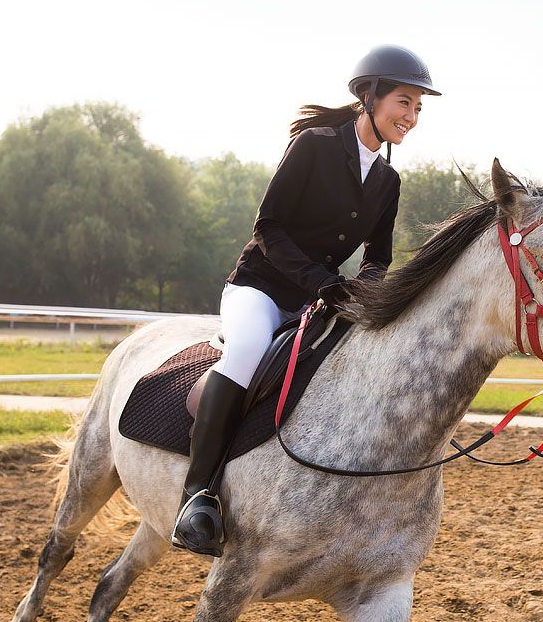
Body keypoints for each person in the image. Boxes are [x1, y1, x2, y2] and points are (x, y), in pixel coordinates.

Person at [171, 44, 442, 557]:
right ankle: (197, 495)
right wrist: (321, 280)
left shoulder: (388, 180)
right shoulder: (314, 146)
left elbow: (377, 258)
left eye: (418, 109)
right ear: (370, 96)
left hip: (319, 300)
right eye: (404, 103)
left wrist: (364, 292)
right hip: (260, 288)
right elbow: (267, 226)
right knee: (248, 347)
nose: (411, 117)